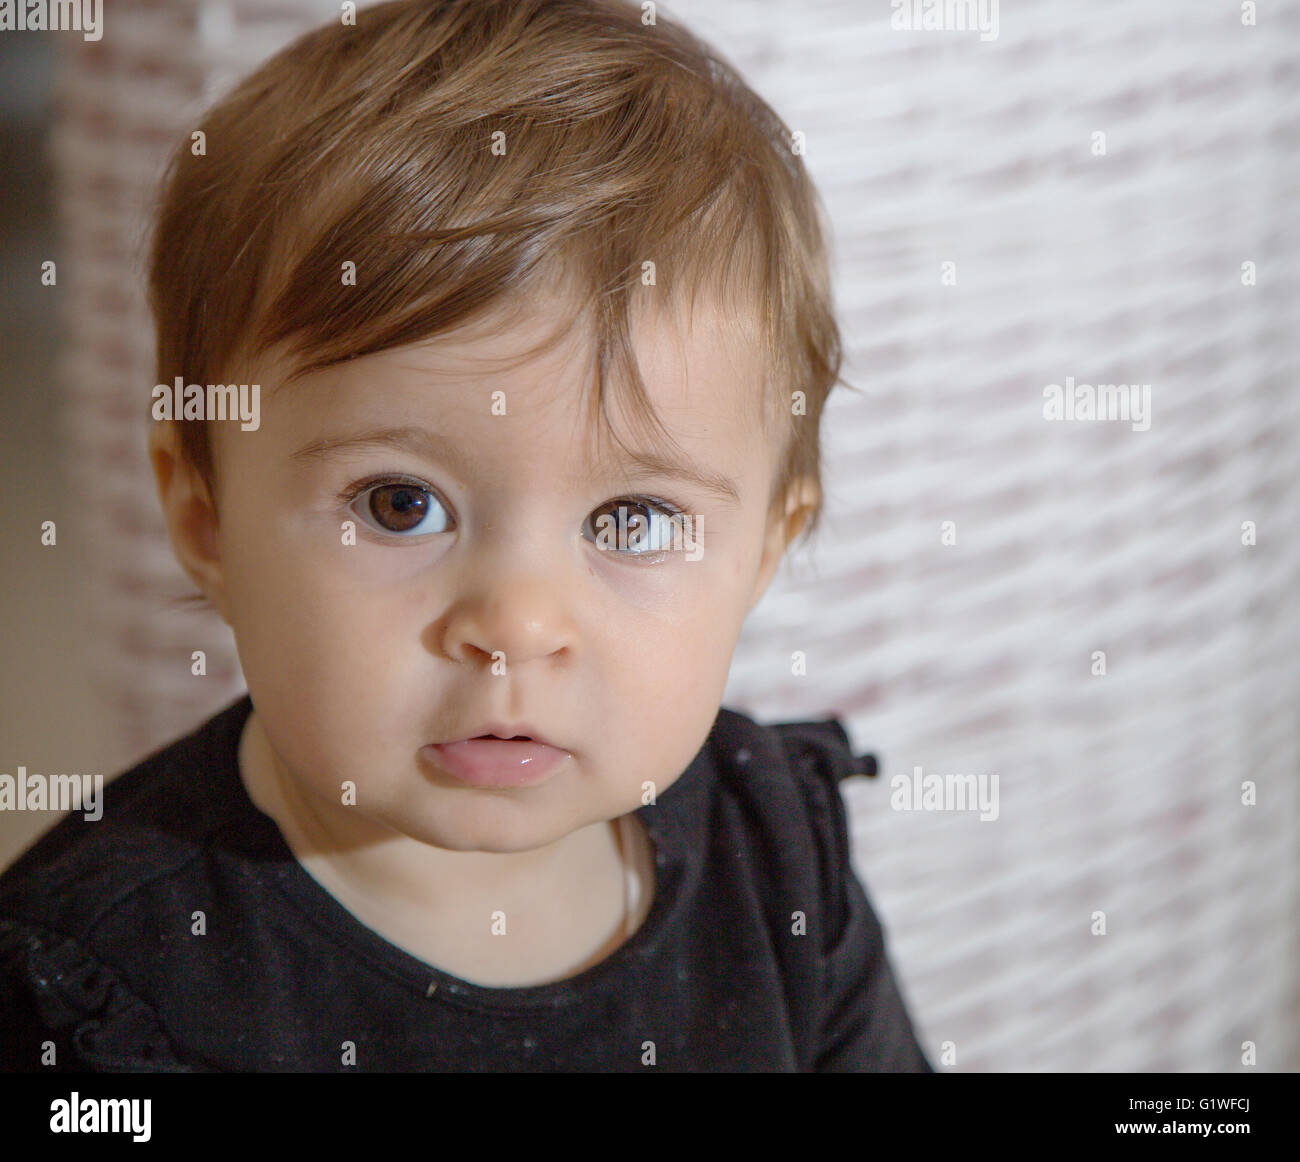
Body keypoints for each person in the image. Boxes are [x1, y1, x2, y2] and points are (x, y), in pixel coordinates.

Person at [0, 0, 930, 1072]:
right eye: (401, 504)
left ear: (768, 544)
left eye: (631, 519)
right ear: (205, 518)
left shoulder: (773, 856)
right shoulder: (102, 987)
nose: (517, 625)